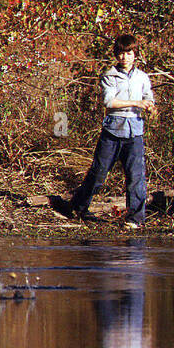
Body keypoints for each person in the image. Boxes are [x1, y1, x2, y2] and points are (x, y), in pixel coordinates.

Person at [63, 34, 155, 229]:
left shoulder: (142, 77)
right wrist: (136, 103)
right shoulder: (109, 76)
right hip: (112, 132)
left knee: (136, 176)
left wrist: (150, 106)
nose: (125, 57)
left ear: (134, 54)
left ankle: (135, 219)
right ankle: (78, 205)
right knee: (98, 174)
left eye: (129, 53)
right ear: (116, 55)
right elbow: (109, 102)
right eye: (121, 53)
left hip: (135, 132)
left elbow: (148, 96)